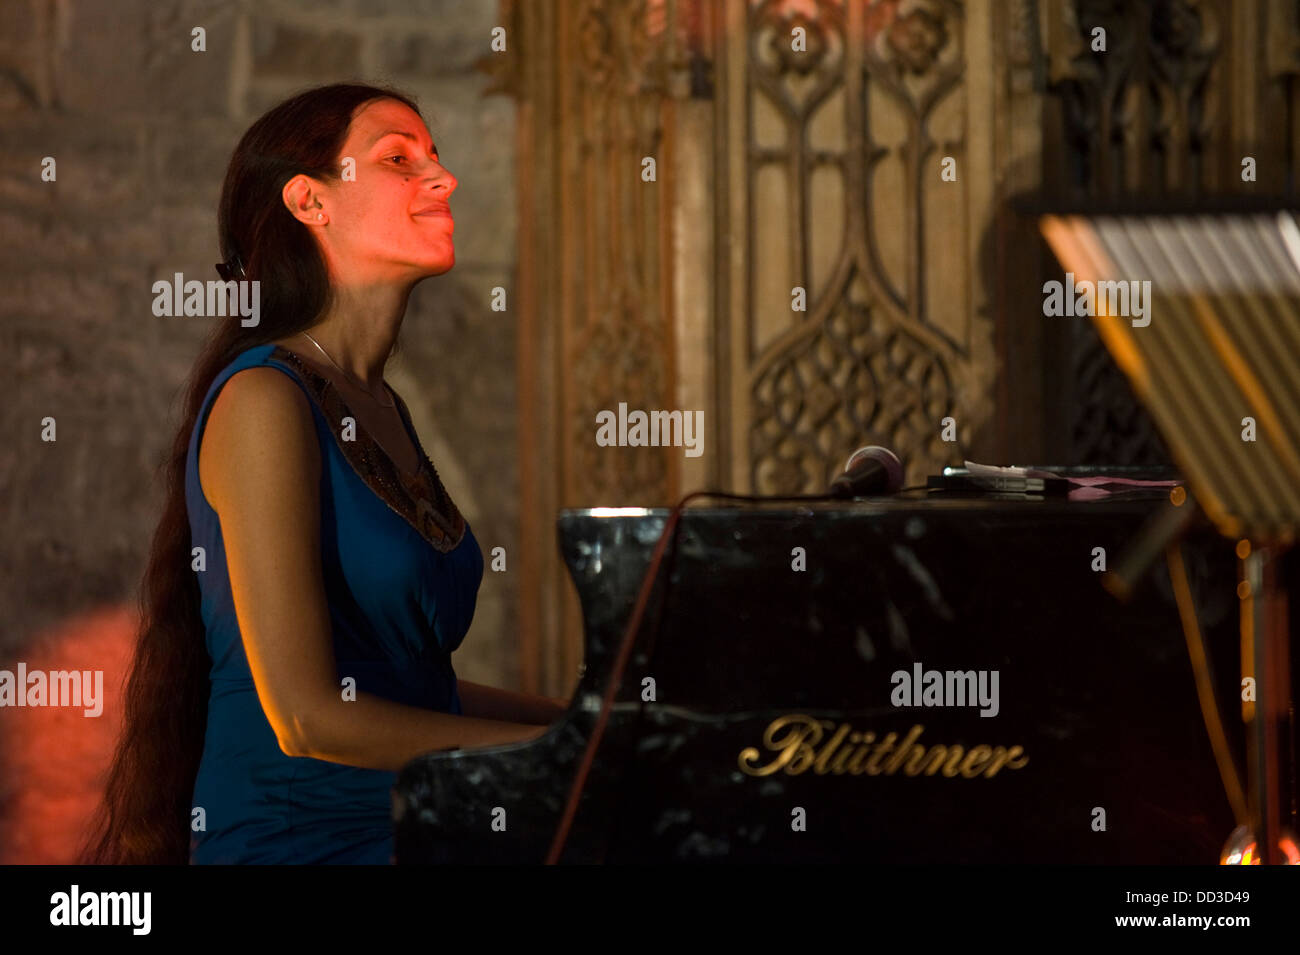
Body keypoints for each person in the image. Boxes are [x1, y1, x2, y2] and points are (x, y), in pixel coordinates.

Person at [85, 83, 565, 865]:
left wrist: (583, 720)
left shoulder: (382, 407)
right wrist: (564, 760)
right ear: (310, 200)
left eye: (435, 159)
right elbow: (308, 716)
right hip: (307, 839)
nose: (443, 180)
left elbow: (413, 686)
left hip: (419, 822)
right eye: (400, 160)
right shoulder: (263, 398)